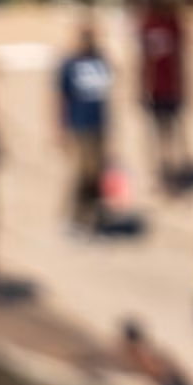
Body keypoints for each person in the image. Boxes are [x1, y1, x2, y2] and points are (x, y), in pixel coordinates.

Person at [58, 19, 113, 232]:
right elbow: (59, 97)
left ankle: (95, 215)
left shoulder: (101, 60)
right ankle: (73, 217)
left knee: (97, 173)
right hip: (78, 126)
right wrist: (60, 129)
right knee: (80, 173)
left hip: (98, 125)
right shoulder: (69, 63)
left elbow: (107, 93)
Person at [138, 0, 189, 189]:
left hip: (172, 87)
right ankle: (160, 173)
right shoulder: (146, 23)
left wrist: (184, 86)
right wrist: (141, 87)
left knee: (173, 131)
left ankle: (176, 171)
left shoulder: (173, 22)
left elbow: (182, 57)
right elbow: (141, 59)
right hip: (154, 88)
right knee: (156, 133)